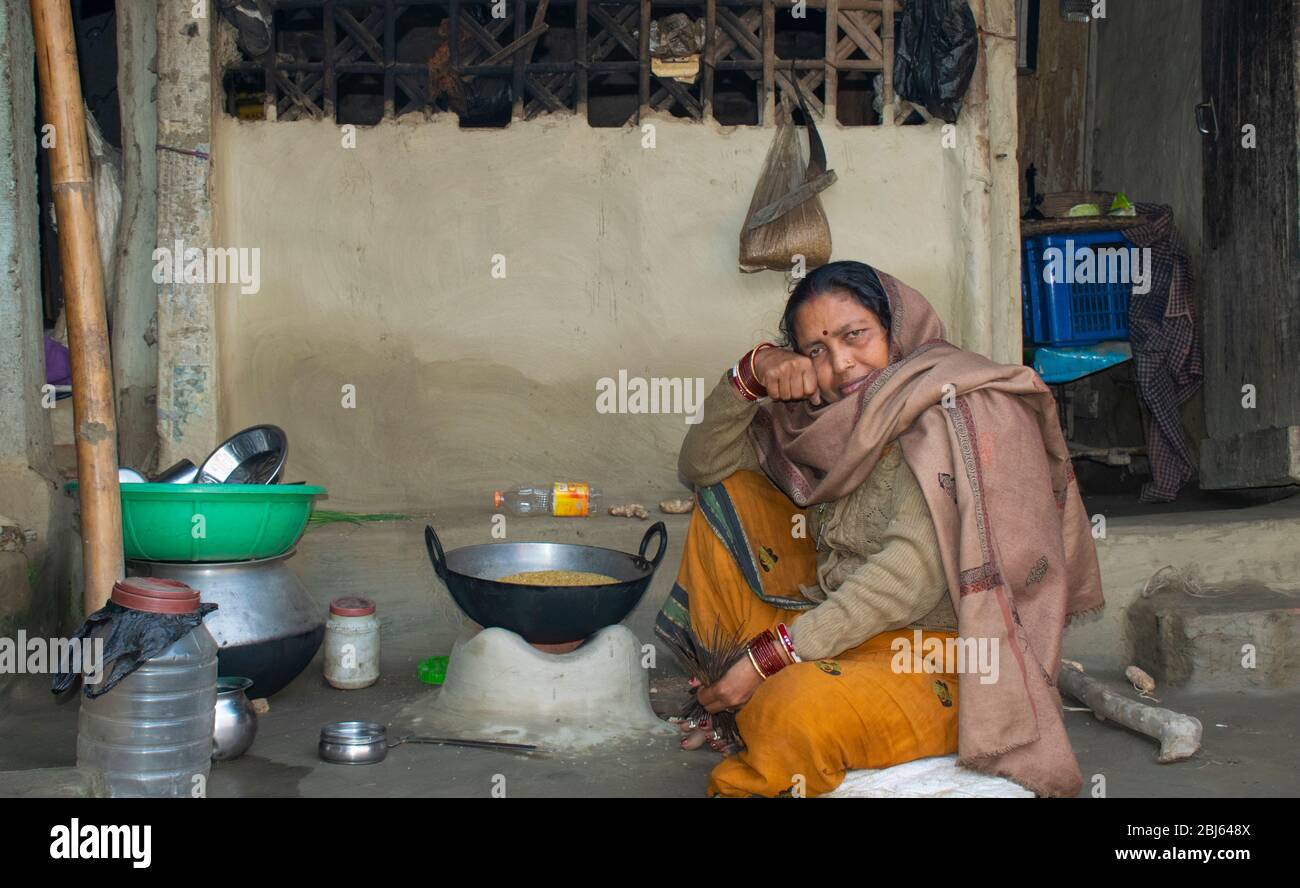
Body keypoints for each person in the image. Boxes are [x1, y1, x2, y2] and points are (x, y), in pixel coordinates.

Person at [658, 261, 1103, 797]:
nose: (841, 363)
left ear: (898, 328)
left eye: (856, 335)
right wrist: (751, 374)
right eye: (816, 350)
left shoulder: (952, 410)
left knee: (791, 711)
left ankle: (757, 707)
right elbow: (702, 465)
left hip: (941, 657)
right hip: (841, 623)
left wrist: (768, 658)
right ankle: (732, 701)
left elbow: (906, 579)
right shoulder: (826, 419)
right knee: (728, 496)